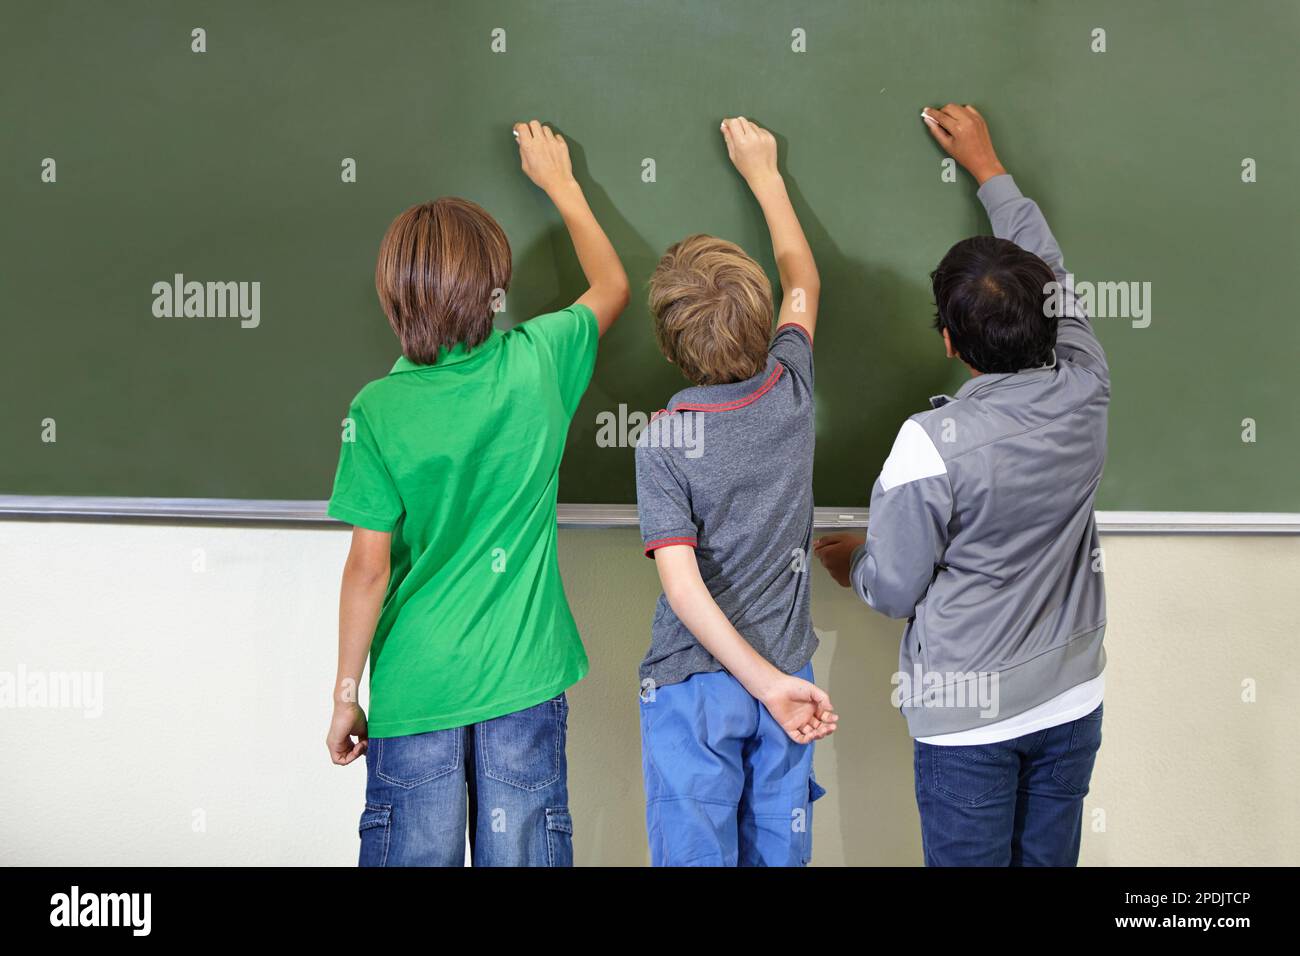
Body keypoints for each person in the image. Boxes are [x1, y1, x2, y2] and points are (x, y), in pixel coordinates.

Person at [325, 120, 629, 866]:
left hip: (416, 686)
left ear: (394, 293)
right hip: (522, 680)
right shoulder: (539, 363)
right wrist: (560, 184)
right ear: (493, 289)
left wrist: (343, 693)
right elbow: (614, 285)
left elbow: (369, 569)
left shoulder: (376, 409)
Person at [816, 104, 1109, 867]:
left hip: (968, 716)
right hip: (1072, 693)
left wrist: (853, 561)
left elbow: (894, 590)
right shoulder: (1087, 384)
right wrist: (991, 171)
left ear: (948, 341)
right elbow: (1056, 278)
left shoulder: (930, 445)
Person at [636, 117, 837, 867]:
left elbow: (684, 591)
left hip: (692, 689)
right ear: (762, 318)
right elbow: (803, 280)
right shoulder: (791, 388)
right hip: (785, 674)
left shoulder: (664, 438)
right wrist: (765, 175)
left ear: (668, 344)